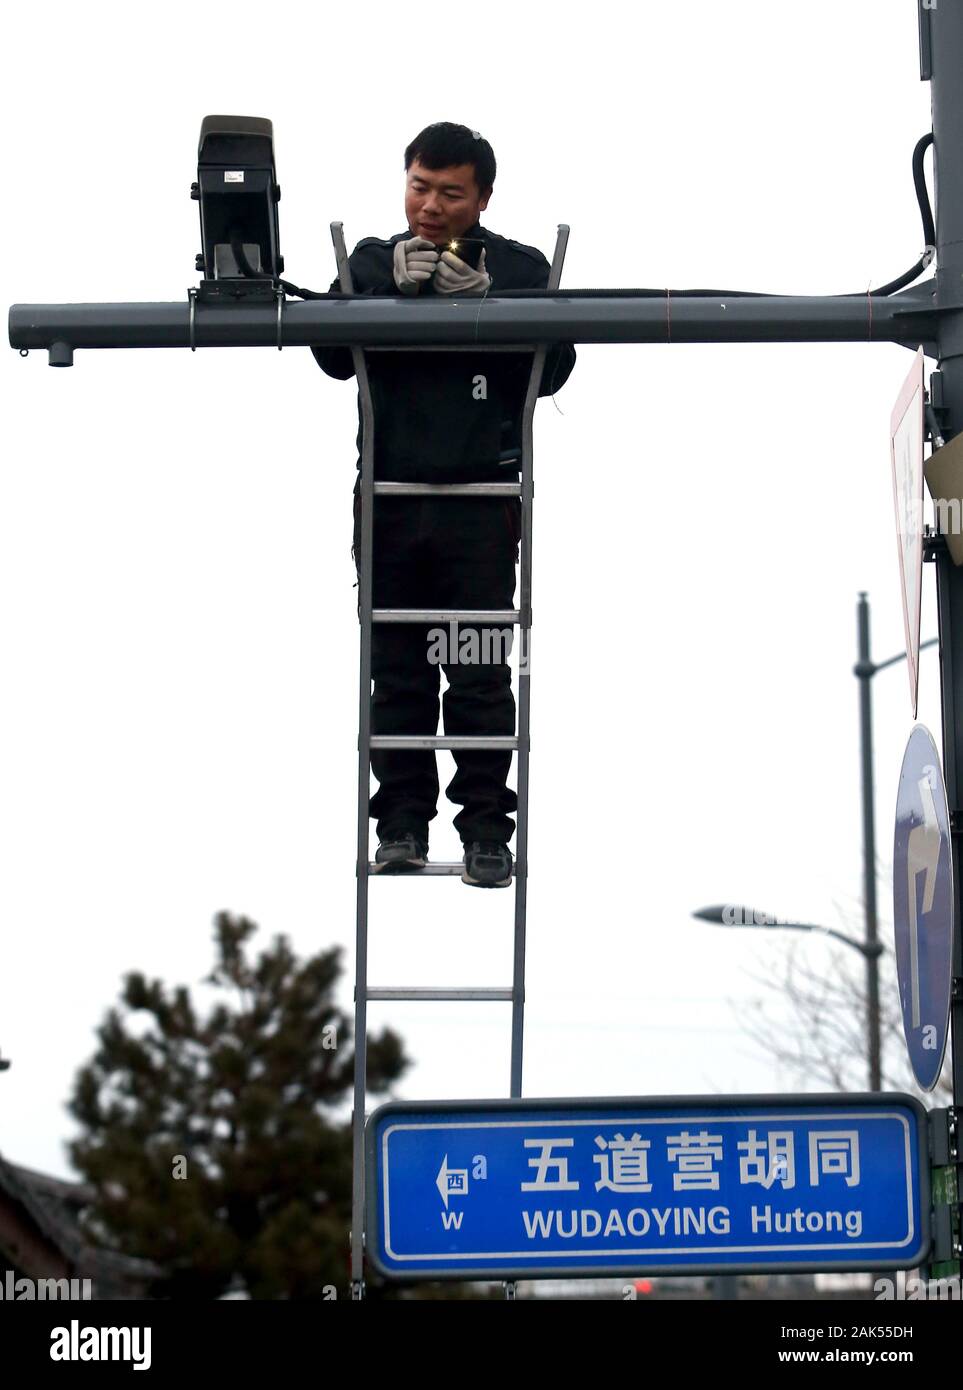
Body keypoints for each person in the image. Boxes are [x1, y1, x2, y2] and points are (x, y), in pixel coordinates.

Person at [312, 121, 575, 887]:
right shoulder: (365, 261)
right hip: (390, 500)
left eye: (449, 193)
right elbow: (330, 357)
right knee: (395, 673)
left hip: (479, 503)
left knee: (477, 670)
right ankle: (398, 823)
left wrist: (494, 306)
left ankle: (488, 832)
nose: (429, 206)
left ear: (481, 197)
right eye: (418, 187)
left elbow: (554, 370)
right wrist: (379, 292)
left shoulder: (520, 269)